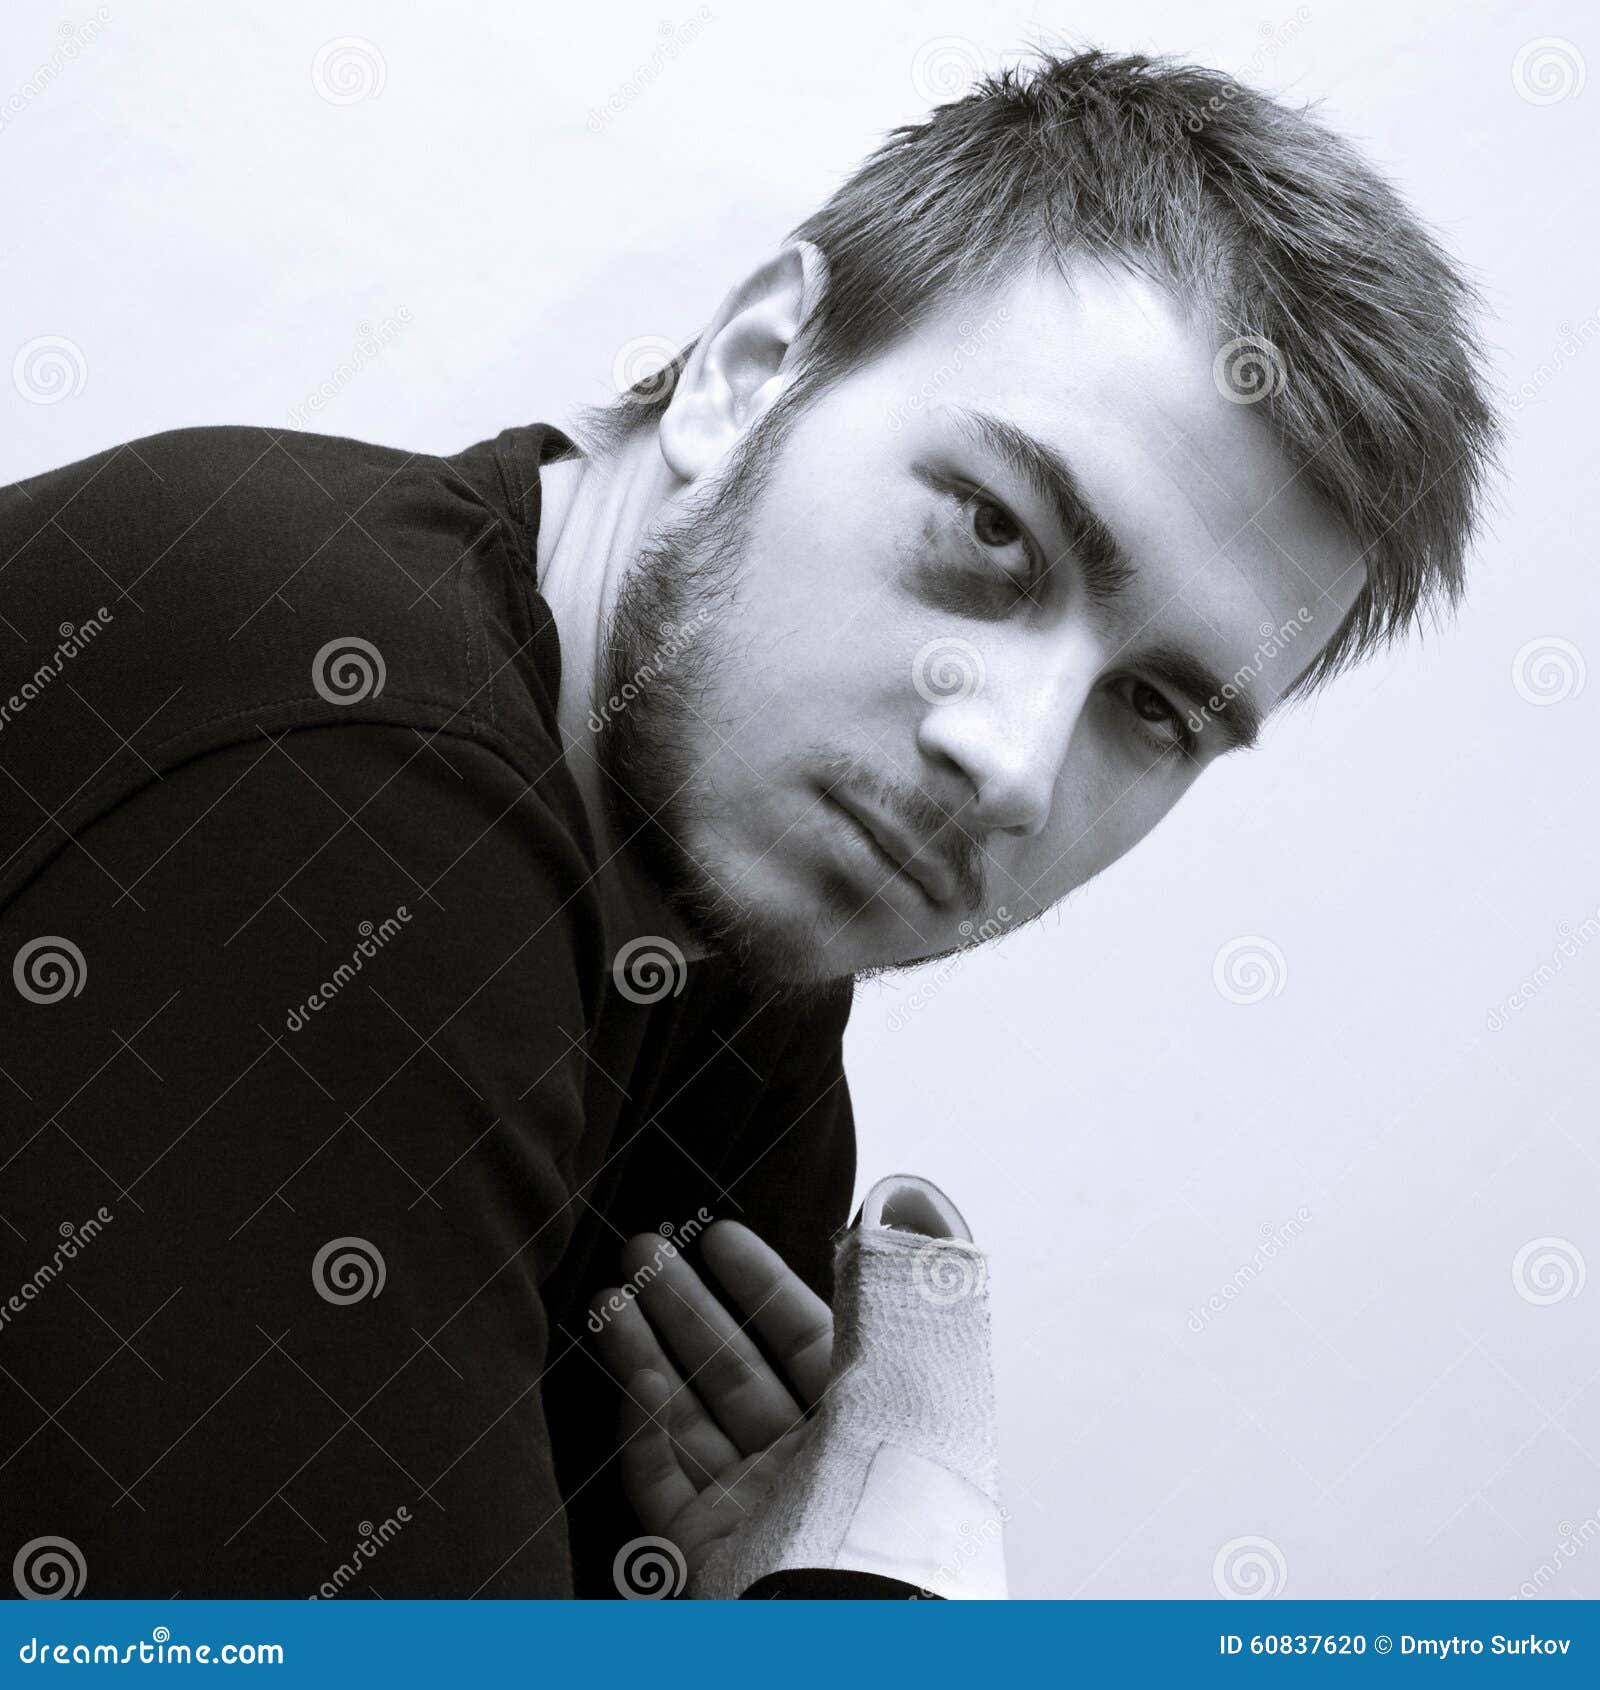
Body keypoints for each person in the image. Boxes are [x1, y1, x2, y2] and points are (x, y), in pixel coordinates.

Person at [0, 47, 1499, 1599]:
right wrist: (877, 1598)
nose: (1014, 766)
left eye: (1158, 709)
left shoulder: (725, 962)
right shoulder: (338, 773)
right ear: (749, 366)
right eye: (995, 530)